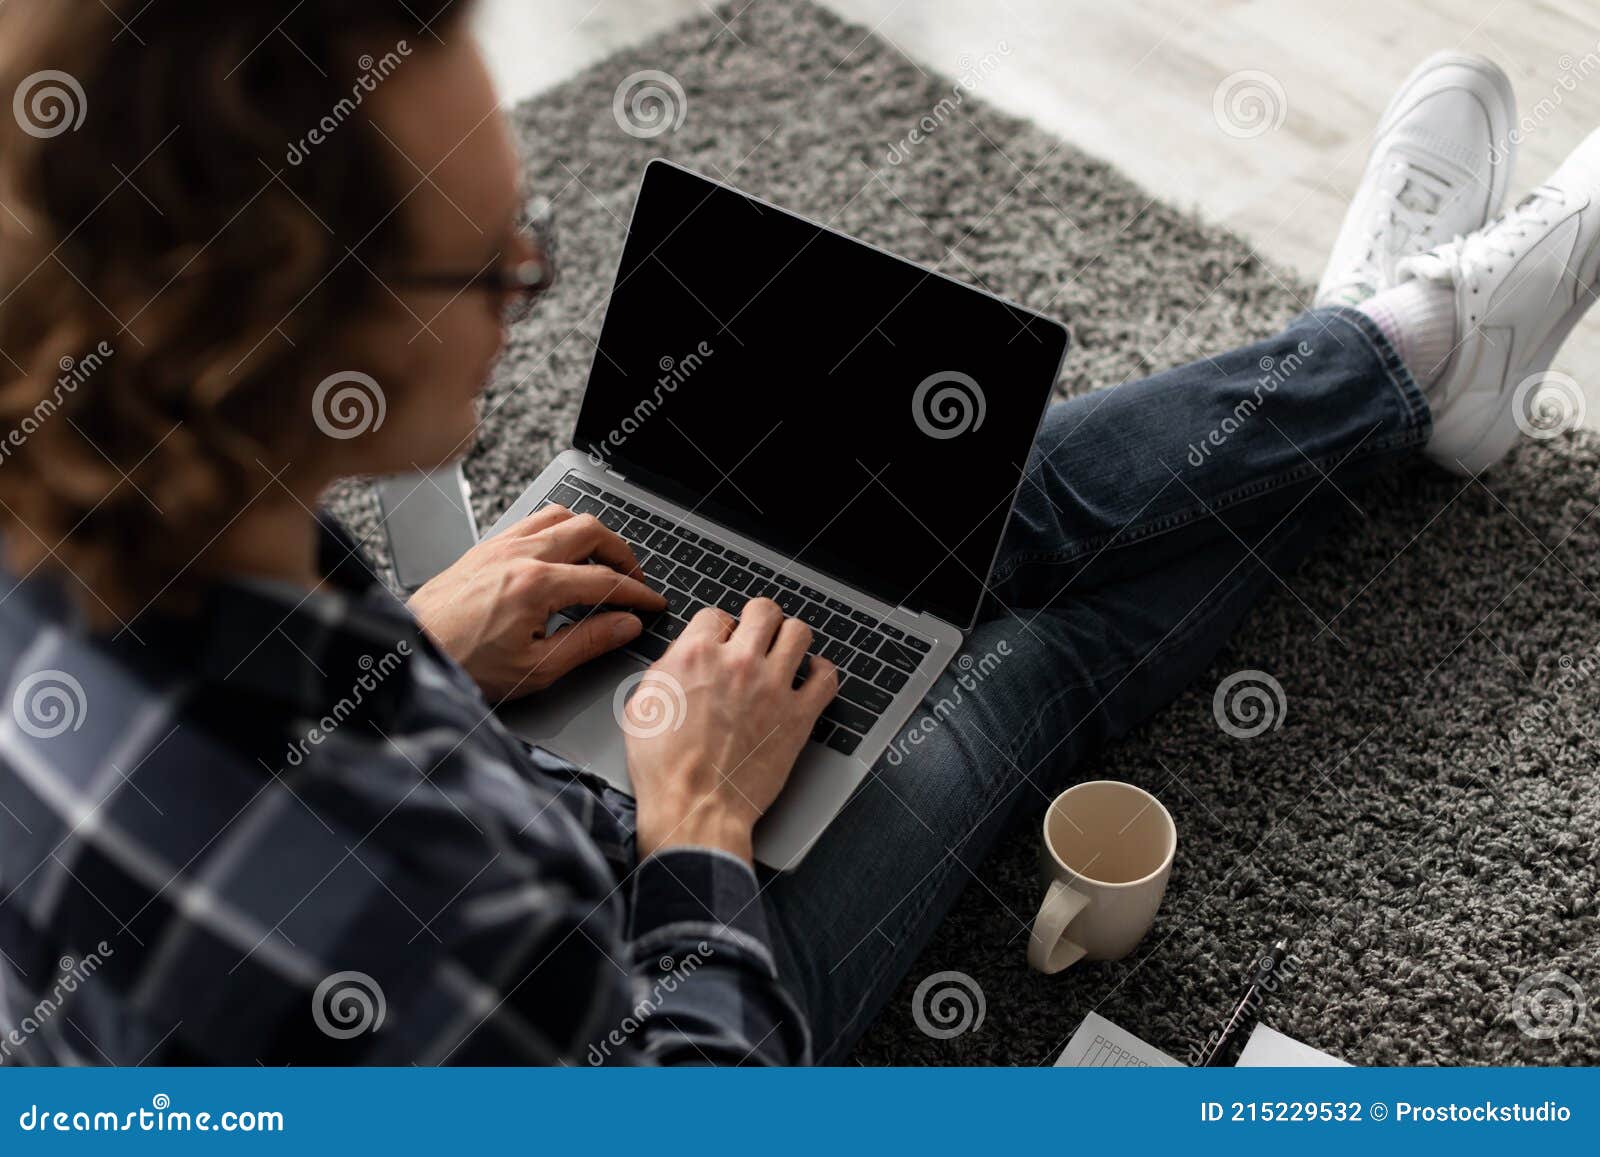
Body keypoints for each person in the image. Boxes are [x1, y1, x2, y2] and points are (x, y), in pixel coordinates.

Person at [0, 5, 1591, 1064]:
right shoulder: (431, 891)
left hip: (458, 850)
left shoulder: (107, 492)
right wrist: (699, 813)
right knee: (1015, 644)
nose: (530, 283)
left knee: (930, 530)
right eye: (497, 267)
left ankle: (1387, 359)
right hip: (651, 992)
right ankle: (1402, 351)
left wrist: (403, 662)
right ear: (287, 351)